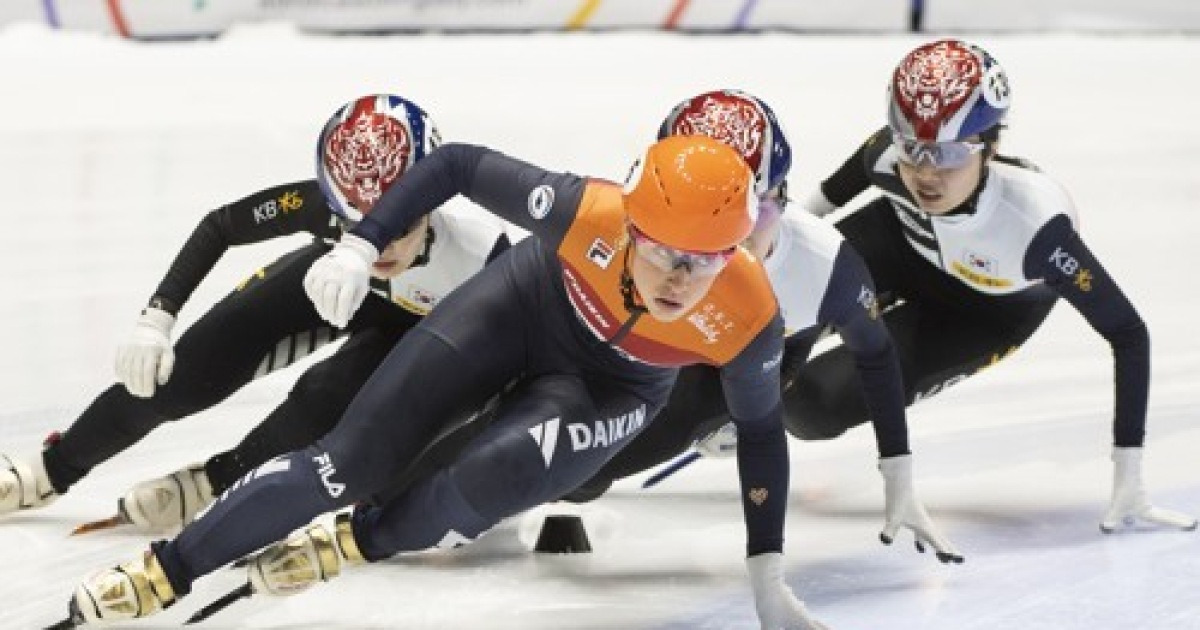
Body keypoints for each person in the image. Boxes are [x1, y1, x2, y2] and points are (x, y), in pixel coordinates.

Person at [58, 130, 946, 629]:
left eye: (708, 261)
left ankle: (360, 544)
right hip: (523, 304)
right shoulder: (585, 209)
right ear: (630, 220)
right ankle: (167, 569)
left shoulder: (747, 319)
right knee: (344, 461)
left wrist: (765, 573)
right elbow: (450, 165)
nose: (681, 277)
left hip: (612, 391)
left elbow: (761, 433)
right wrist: (364, 241)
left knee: (479, 484)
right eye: (665, 251)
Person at [586, 39, 1196, 535]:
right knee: (770, 316)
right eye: (912, 148)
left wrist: (1129, 477)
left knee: (814, 409)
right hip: (895, 244)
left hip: (981, 312)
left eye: (950, 152)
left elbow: (1129, 334)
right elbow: (806, 221)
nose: (925, 170)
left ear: (991, 144)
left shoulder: (1036, 231)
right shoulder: (887, 159)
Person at [0, 94, 510, 532]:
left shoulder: (483, 260)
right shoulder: (325, 208)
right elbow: (222, 226)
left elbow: (523, 358)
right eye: (354, 224)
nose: (376, 245)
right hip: (326, 279)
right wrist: (157, 317)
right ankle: (51, 469)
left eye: (394, 227)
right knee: (179, 376)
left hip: (423, 328)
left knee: (323, 402)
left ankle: (218, 481)